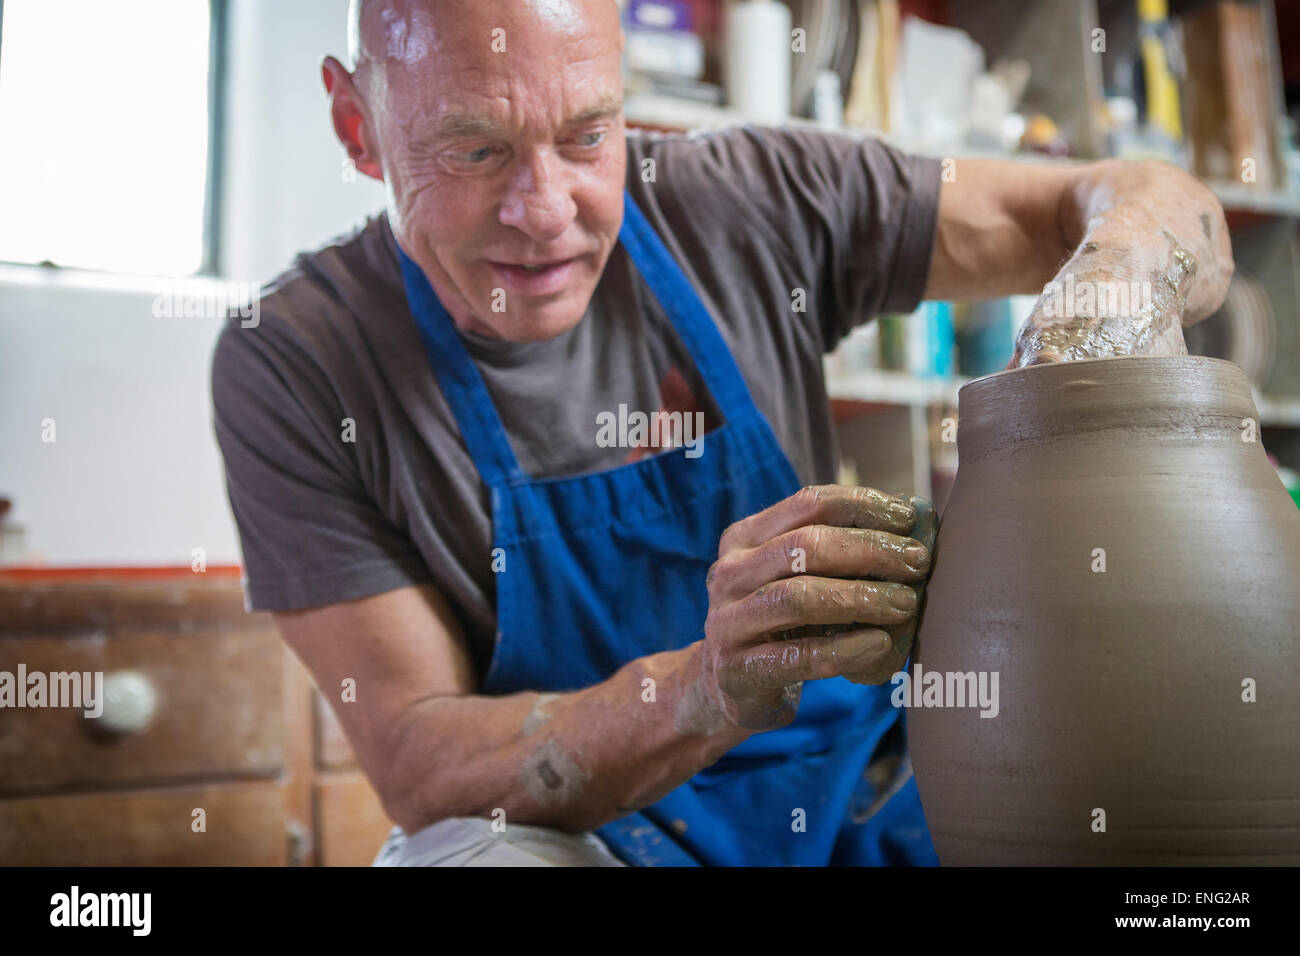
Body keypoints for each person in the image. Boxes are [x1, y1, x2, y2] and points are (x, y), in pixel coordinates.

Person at [210, 0, 1233, 866]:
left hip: (864, 788)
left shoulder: (745, 202)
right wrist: (704, 685)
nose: (544, 209)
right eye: (475, 149)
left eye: (586, 135)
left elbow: (1144, 201)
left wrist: (1109, 292)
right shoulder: (298, 357)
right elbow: (417, 758)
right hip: (596, 829)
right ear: (358, 124)